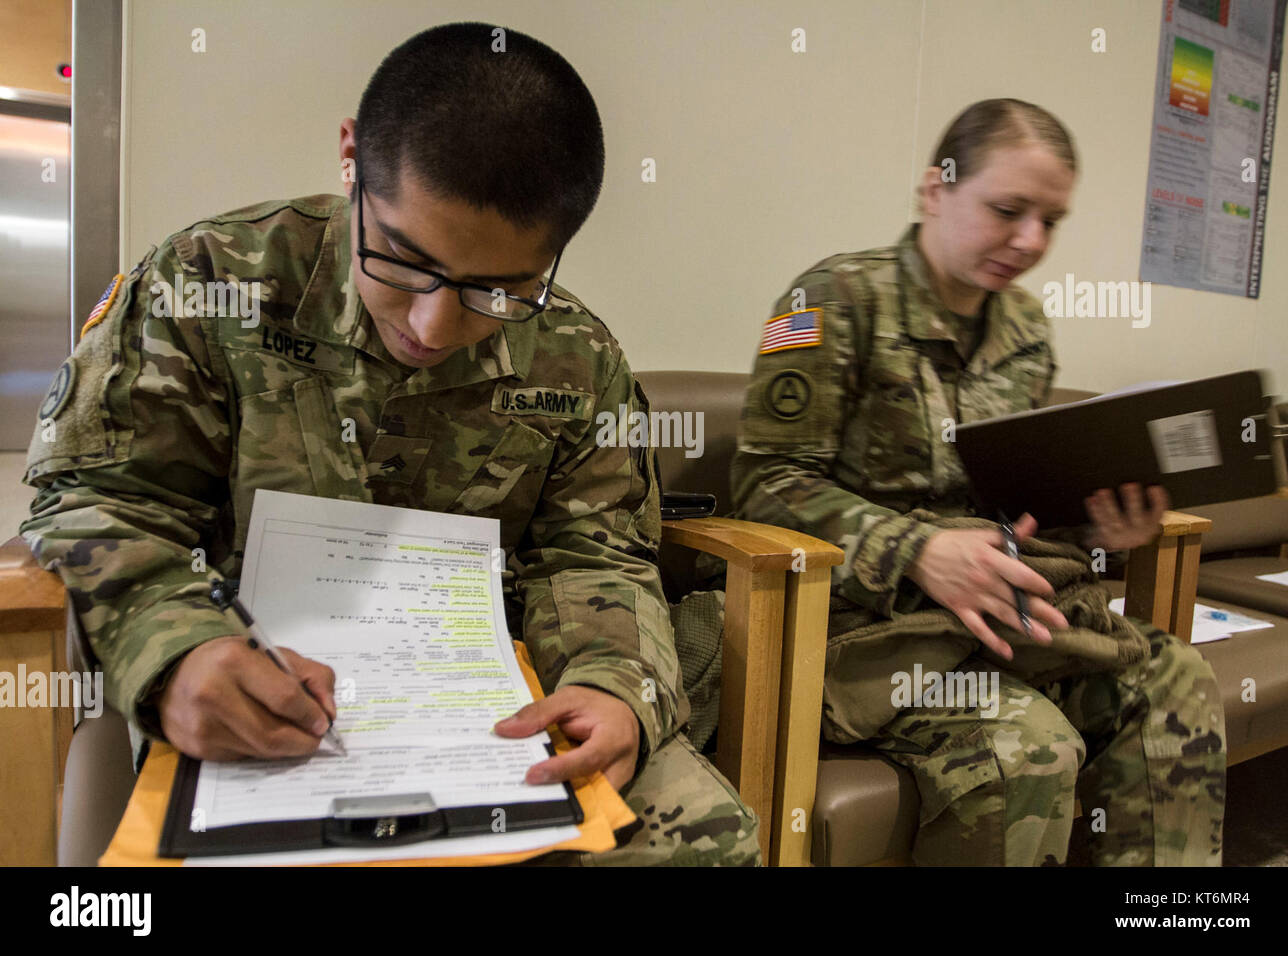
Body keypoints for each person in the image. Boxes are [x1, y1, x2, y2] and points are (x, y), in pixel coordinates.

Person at [20, 22, 759, 867]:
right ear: (351, 157)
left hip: (486, 707)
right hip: (253, 686)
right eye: (405, 261)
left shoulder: (578, 356)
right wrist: (174, 651)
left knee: (704, 839)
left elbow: (596, 556)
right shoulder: (208, 283)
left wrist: (614, 687)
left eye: (498, 290)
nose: (433, 324)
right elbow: (100, 501)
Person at [731, 98, 1225, 866]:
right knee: (1030, 747)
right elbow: (766, 482)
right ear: (936, 189)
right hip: (873, 629)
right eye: (1007, 210)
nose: (1030, 241)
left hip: (1006, 613)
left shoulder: (1026, 328)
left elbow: (1022, 504)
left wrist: (1101, 532)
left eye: (1051, 220)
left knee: (1176, 679)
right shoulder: (835, 299)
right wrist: (916, 551)